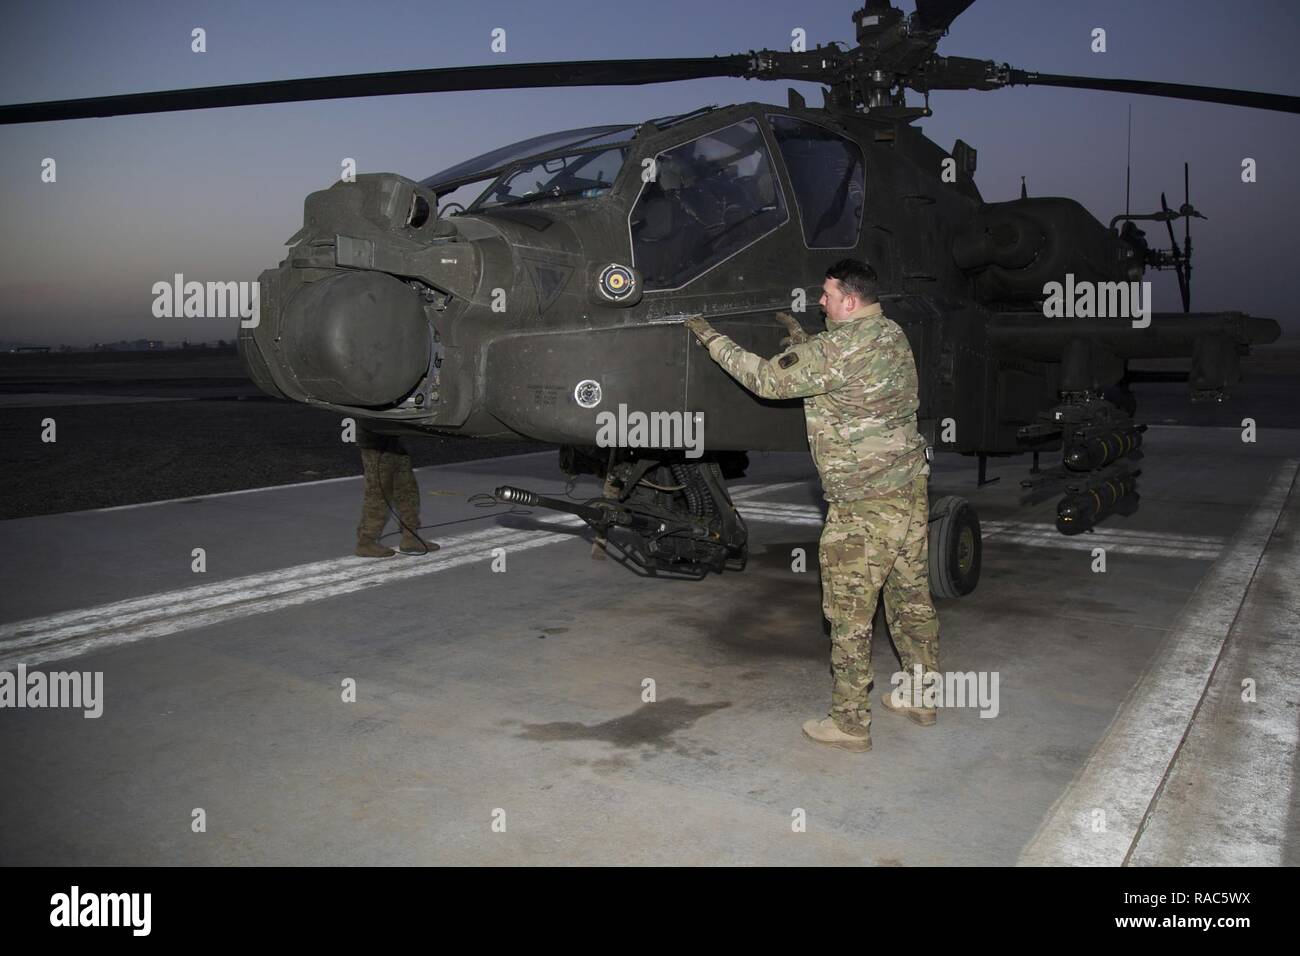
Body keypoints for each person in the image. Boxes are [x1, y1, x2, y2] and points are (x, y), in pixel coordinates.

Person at [685, 259, 939, 753]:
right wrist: (803, 338)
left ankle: (849, 723)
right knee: (911, 601)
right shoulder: (891, 333)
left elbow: (764, 379)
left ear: (848, 300)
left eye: (826, 295)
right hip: (908, 492)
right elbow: (838, 372)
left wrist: (709, 337)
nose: (820, 301)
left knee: (849, 615)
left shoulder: (837, 348)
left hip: (863, 507)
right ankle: (922, 696)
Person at [355, 423, 437, 558]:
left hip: (394, 444)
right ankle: (366, 542)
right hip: (375, 445)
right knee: (378, 494)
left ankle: (410, 537)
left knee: (408, 490)